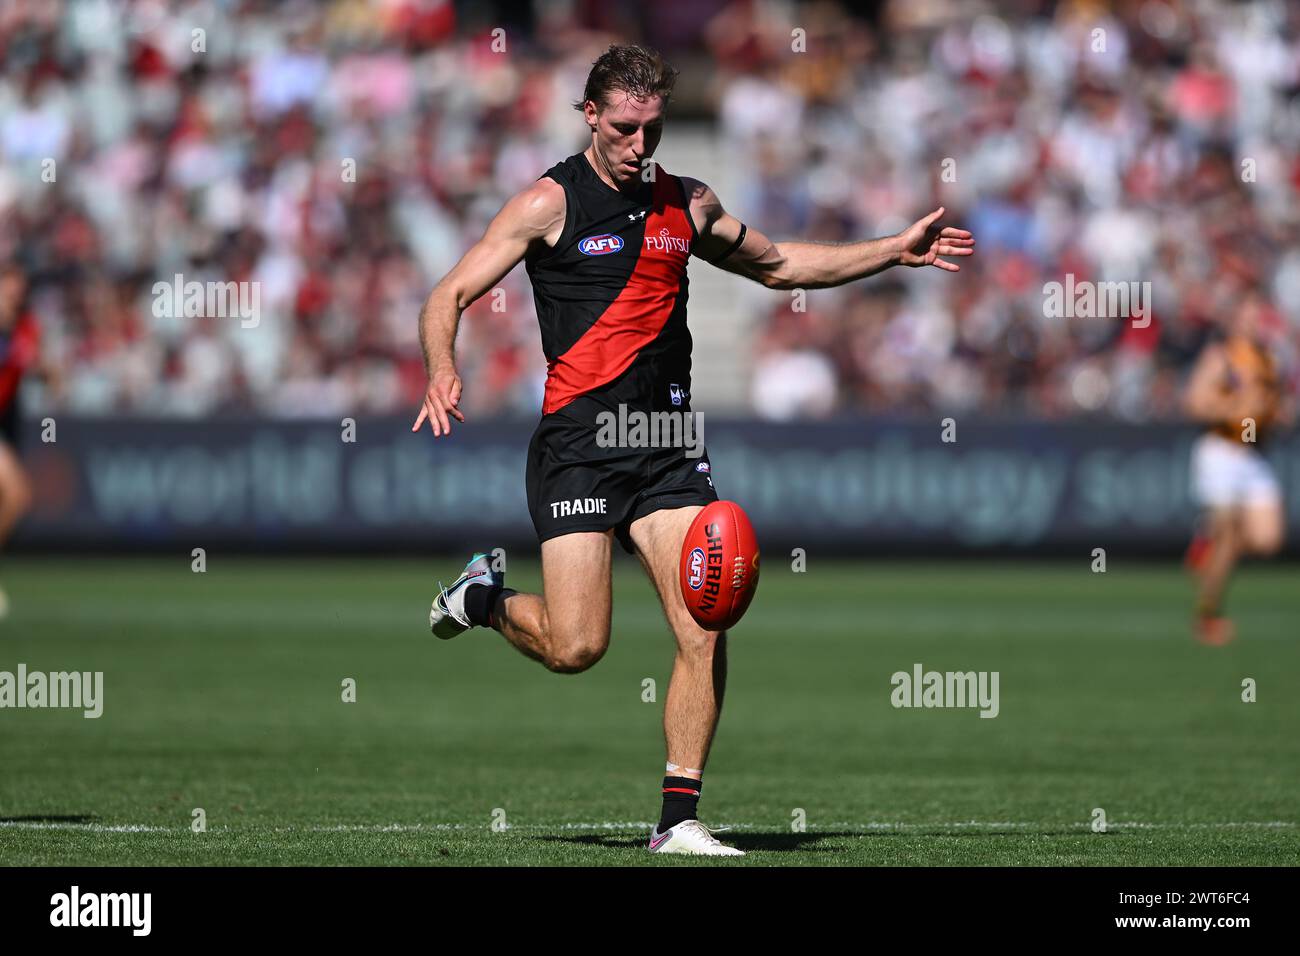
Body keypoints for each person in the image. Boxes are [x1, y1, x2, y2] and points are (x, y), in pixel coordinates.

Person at [412, 44, 974, 855]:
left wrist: (892, 251)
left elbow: (780, 266)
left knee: (705, 618)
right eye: (627, 129)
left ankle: (678, 820)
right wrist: (442, 368)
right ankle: (481, 601)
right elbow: (449, 293)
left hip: (666, 441)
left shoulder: (690, 202)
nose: (642, 146)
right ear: (590, 117)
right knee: (577, 648)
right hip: (579, 443)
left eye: (655, 129)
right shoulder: (547, 202)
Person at [1183, 293, 1288, 645]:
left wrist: (1269, 416)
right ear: (1236, 320)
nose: (1257, 322)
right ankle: (1208, 615)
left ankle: (1208, 542)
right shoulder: (1223, 357)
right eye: (1250, 315)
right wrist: (1235, 409)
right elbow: (1195, 403)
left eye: (1260, 315)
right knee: (1228, 532)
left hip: (1252, 454)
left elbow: (1270, 413)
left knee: (1267, 539)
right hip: (1221, 449)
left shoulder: (1270, 360)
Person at [0, 262, 40, 619]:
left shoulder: (26, 328)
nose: (14, 296)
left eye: (18, 291)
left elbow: (35, 365)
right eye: (8, 289)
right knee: (16, 492)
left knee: (16, 497)